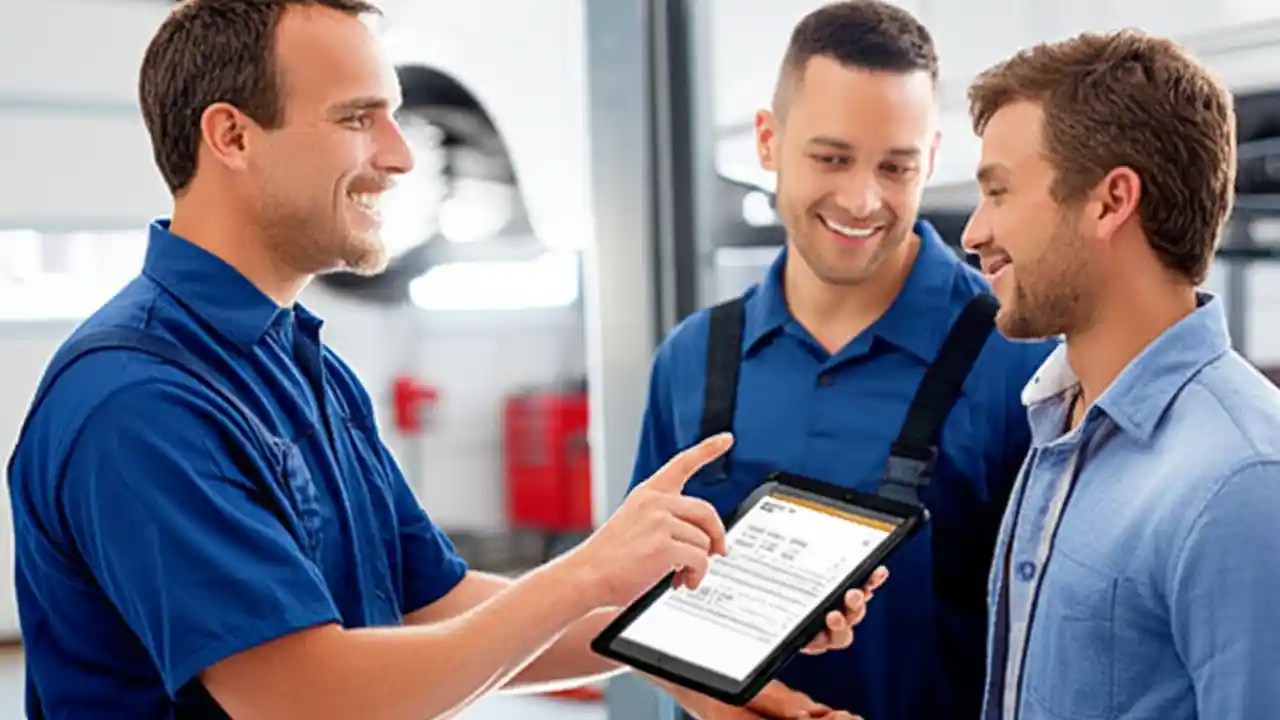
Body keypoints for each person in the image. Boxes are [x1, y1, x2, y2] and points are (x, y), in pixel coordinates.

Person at [4, 2, 875, 718]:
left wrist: (698, 629)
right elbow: (302, 700)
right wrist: (586, 572)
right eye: (357, 118)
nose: (401, 154)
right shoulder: (137, 400)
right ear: (231, 135)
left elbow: (434, 605)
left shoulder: (304, 364)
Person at [630, 2, 1056, 719]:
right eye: (830, 158)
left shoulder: (1019, 360)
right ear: (769, 140)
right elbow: (634, 603)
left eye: (897, 166)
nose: (862, 200)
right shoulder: (694, 359)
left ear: (932, 154)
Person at [963, 28, 1280, 720]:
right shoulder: (1061, 420)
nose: (973, 232)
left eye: (1000, 192)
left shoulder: (1245, 482)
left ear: (1110, 201)